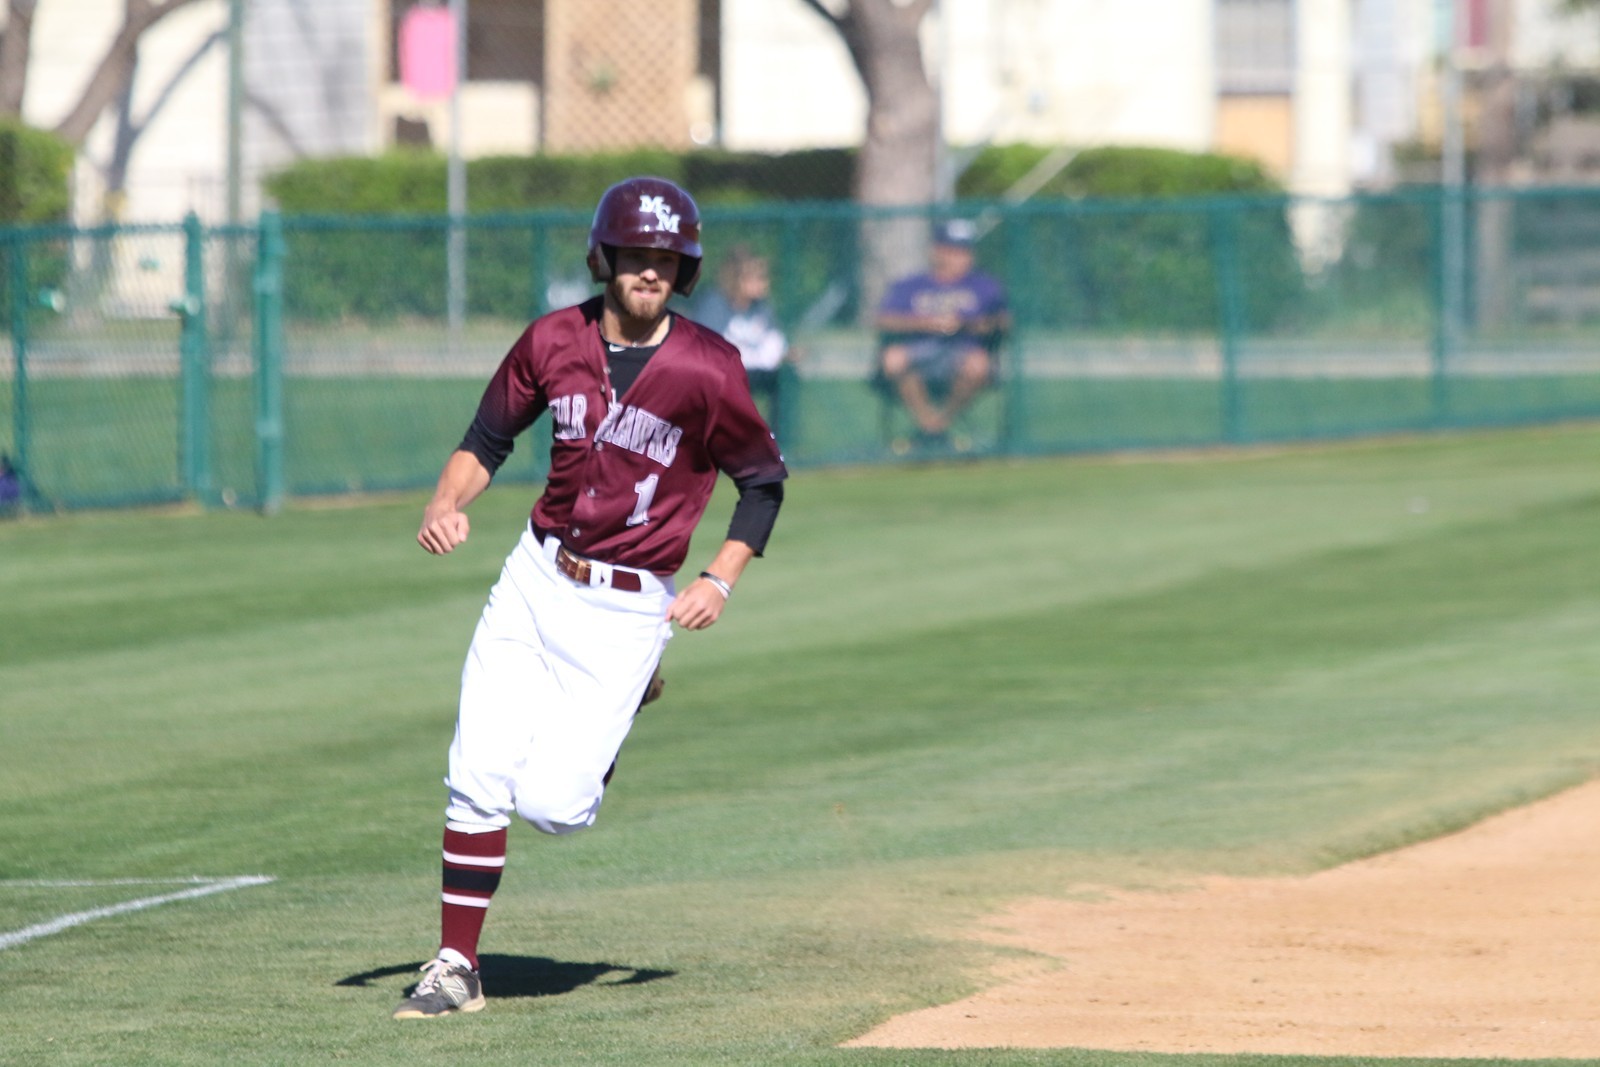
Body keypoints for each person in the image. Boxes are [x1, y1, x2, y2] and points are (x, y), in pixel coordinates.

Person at [394, 176, 788, 1020]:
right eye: (635, 254)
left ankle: (635, 689)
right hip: (537, 575)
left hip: (629, 604)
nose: (649, 269)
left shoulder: (708, 367)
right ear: (603, 257)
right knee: (476, 774)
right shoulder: (551, 340)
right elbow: (487, 438)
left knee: (556, 808)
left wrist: (720, 577)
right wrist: (444, 501)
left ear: (682, 270)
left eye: (665, 257)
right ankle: (455, 965)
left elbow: (761, 482)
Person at [875, 218, 1009, 444]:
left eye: (966, 250)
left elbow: (1004, 322)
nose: (962, 256)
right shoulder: (912, 285)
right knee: (893, 358)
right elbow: (884, 320)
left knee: (978, 364)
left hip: (963, 350)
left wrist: (968, 324)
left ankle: (939, 424)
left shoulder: (984, 286)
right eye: (953, 250)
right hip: (920, 350)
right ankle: (928, 423)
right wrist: (928, 323)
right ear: (937, 251)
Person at [690, 244, 789, 398]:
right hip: (722, 378)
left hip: (755, 373)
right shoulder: (714, 305)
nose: (765, 283)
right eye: (759, 277)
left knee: (785, 379)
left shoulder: (762, 307)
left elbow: (776, 346)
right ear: (738, 278)